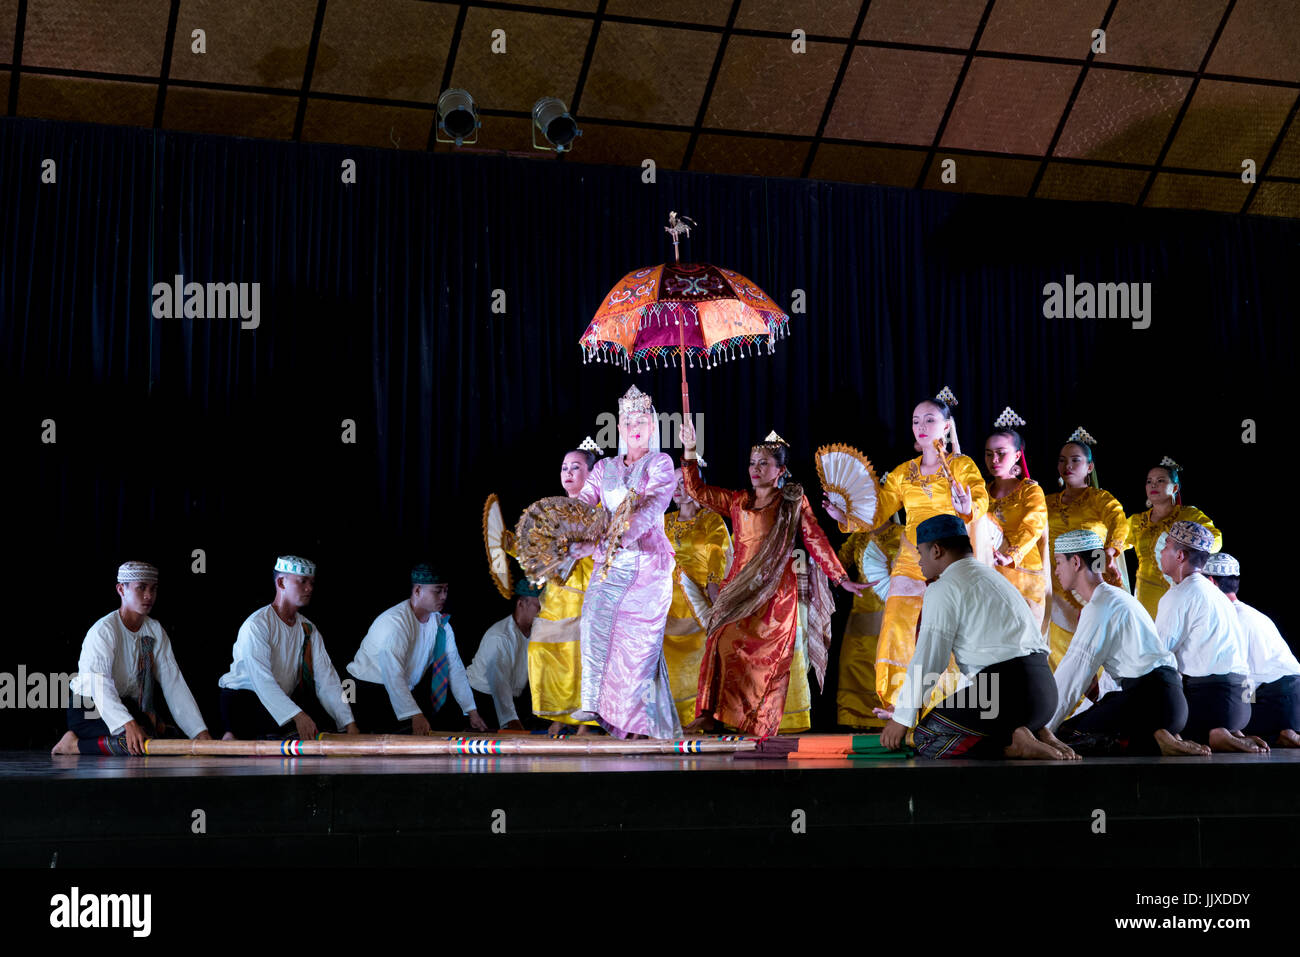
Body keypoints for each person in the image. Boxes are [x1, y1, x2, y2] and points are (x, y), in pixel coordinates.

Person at [680, 420, 867, 736]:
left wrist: (840, 578)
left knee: (764, 662)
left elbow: (815, 538)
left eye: (764, 463)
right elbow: (695, 490)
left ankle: (756, 721)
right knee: (720, 642)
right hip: (738, 590)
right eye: (752, 463)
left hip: (775, 594)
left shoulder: (792, 501)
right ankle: (710, 715)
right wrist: (689, 449)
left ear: (780, 470)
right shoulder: (739, 502)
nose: (755, 468)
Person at [824, 388, 987, 710]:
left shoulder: (961, 465)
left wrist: (969, 506)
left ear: (946, 425)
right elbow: (877, 512)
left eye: (930, 419)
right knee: (897, 625)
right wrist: (845, 516)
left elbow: (979, 498)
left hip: (951, 557)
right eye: (916, 420)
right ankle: (899, 700)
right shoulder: (902, 473)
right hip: (913, 557)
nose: (921, 426)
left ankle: (947, 703)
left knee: (944, 629)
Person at [879, 516, 1075, 760]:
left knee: (926, 737)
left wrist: (901, 719)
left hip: (1002, 695)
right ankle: (1035, 730)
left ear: (937, 550)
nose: (919, 562)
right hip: (1045, 694)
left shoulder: (944, 587)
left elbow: (929, 660)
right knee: (976, 708)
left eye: (920, 553)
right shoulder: (994, 579)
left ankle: (1013, 745)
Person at [571, 385, 679, 739]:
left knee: (637, 652)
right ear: (618, 428)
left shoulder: (660, 463)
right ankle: (593, 702)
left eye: (642, 420)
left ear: (652, 426)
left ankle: (640, 726)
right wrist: (567, 526)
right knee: (593, 617)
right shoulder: (604, 468)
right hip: (611, 563)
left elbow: (653, 505)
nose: (635, 425)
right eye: (628, 420)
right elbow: (585, 505)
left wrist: (619, 535)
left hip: (649, 566)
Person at [1047, 531, 1209, 756]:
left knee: (1066, 736)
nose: (1055, 571)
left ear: (1075, 562)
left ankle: (1154, 739)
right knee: (1105, 709)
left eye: (1057, 562)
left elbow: (1072, 676)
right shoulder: (1119, 597)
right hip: (1172, 701)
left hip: (1148, 703)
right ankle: (1161, 738)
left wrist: (1042, 730)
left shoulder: (1099, 607)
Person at [53, 562, 211, 756]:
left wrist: (200, 733)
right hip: (89, 707)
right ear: (121, 589)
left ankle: (134, 730)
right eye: (141, 588)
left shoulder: (155, 630)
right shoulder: (104, 630)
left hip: (125, 705)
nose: (148, 596)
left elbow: (173, 682)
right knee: (137, 743)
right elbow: (99, 685)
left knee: (162, 735)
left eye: (153, 589)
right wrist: (127, 724)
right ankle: (72, 745)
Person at [218, 556, 359, 740]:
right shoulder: (257, 625)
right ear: (281, 582)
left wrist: (350, 724)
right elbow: (262, 681)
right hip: (243, 702)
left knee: (315, 730)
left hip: (278, 704)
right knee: (300, 734)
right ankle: (234, 734)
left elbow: (327, 679)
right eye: (302, 582)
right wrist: (298, 716)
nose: (309, 588)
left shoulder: (308, 628)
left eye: (311, 583)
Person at [1155, 523, 1266, 753]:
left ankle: (1210, 734)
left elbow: (1157, 655)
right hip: (1243, 704)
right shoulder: (1219, 596)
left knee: (1146, 698)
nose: (1161, 552)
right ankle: (1231, 731)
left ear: (1180, 555)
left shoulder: (1180, 594)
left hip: (1210, 699)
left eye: (1165, 546)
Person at [347, 564, 488, 735]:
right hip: (359, 690)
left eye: (446, 590)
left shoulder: (441, 625)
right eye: (437, 591)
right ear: (418, 591)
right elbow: (392, 674)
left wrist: (471, 710)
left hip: (397, 690)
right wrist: (414, 714)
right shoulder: (395, 623)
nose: (444, 596)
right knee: (398, 736)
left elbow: (455, 668)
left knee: (430, 727)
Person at [528, 442, 599, 735]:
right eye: (564, 468)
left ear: (592, 473)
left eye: (576, 467)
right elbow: (538, 556)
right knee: (543, 651)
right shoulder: (551, 512)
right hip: (556, 595)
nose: (568, 473)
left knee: (581, 656)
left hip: (586, 592)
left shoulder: (600, 511)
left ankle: (587, 722)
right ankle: (560, 713)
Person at [1043, 428, 1128, 669]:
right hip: (1055, 580)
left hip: (1092, 575)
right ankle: (1067, 704)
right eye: (1062, 460)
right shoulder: (1048, 501)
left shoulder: (1099, 499)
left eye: (1075, 460)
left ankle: (1098, 702)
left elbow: (1119, 523)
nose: (1067, 465)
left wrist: (1111, 551)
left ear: (1089, 468)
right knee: (1058, 647)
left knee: (1094, 641)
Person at [1204, 553, 1300, 748]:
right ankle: (1283, 732)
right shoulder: (1250, 613)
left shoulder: (1230, 620)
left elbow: (1243, 679)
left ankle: (1281, 731)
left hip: (1279, 701)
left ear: (1211, 583)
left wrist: (1234, 719)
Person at [663, 466, 733, 729]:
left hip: (699, 602)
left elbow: (719, 556)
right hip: (666, 604)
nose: (678, 487)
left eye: (684, 482)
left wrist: (716, 598)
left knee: (697, 660)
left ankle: (702, 717)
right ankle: (669, 718)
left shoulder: (711, 521)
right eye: (673, 483)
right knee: (668, 664)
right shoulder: (664, 521)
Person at [1128, 457, 1222, 621]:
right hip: (1145, 594)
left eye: (1160, 480)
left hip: (1179, 589)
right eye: (1149, 481)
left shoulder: (1189, 515)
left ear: (1175, 487)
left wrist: (1188, 544)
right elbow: (1115, 541)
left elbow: (1215, 540)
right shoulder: (1137, 521)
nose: (1153, 485)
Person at [982, 408, 1049, 627]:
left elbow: (1033, 525)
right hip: (988, 576)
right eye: (989, 453)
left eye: (1001, 452)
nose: (994, 459)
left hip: (1023, 577)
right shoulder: (980, 492)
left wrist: (1012, 555)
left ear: (1018, 456)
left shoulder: (1030, 491)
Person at [834, 520, 903, 729]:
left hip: (891, 617)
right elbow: (837, 563)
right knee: (852, 665)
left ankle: (890, 720)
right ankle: (856, 721)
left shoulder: (902, 534)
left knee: (886, 668)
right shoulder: (859, 535)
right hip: (860, 615)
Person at [466, 579, 542, 730]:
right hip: (482, 699)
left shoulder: (537, 631)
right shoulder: (501, 637)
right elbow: (499, 683)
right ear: (521, 604)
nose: (543, 611)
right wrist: (510, 720)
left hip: (513, 698)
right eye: (539, 606)